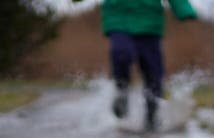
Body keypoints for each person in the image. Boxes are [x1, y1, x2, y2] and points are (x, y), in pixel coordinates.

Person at [72, 0, 198, 130]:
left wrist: (183, 8)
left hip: (149, 19)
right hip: (119, 15)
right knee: (121, 53)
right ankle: (121, 91)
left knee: (153, 71)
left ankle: (152, 116)